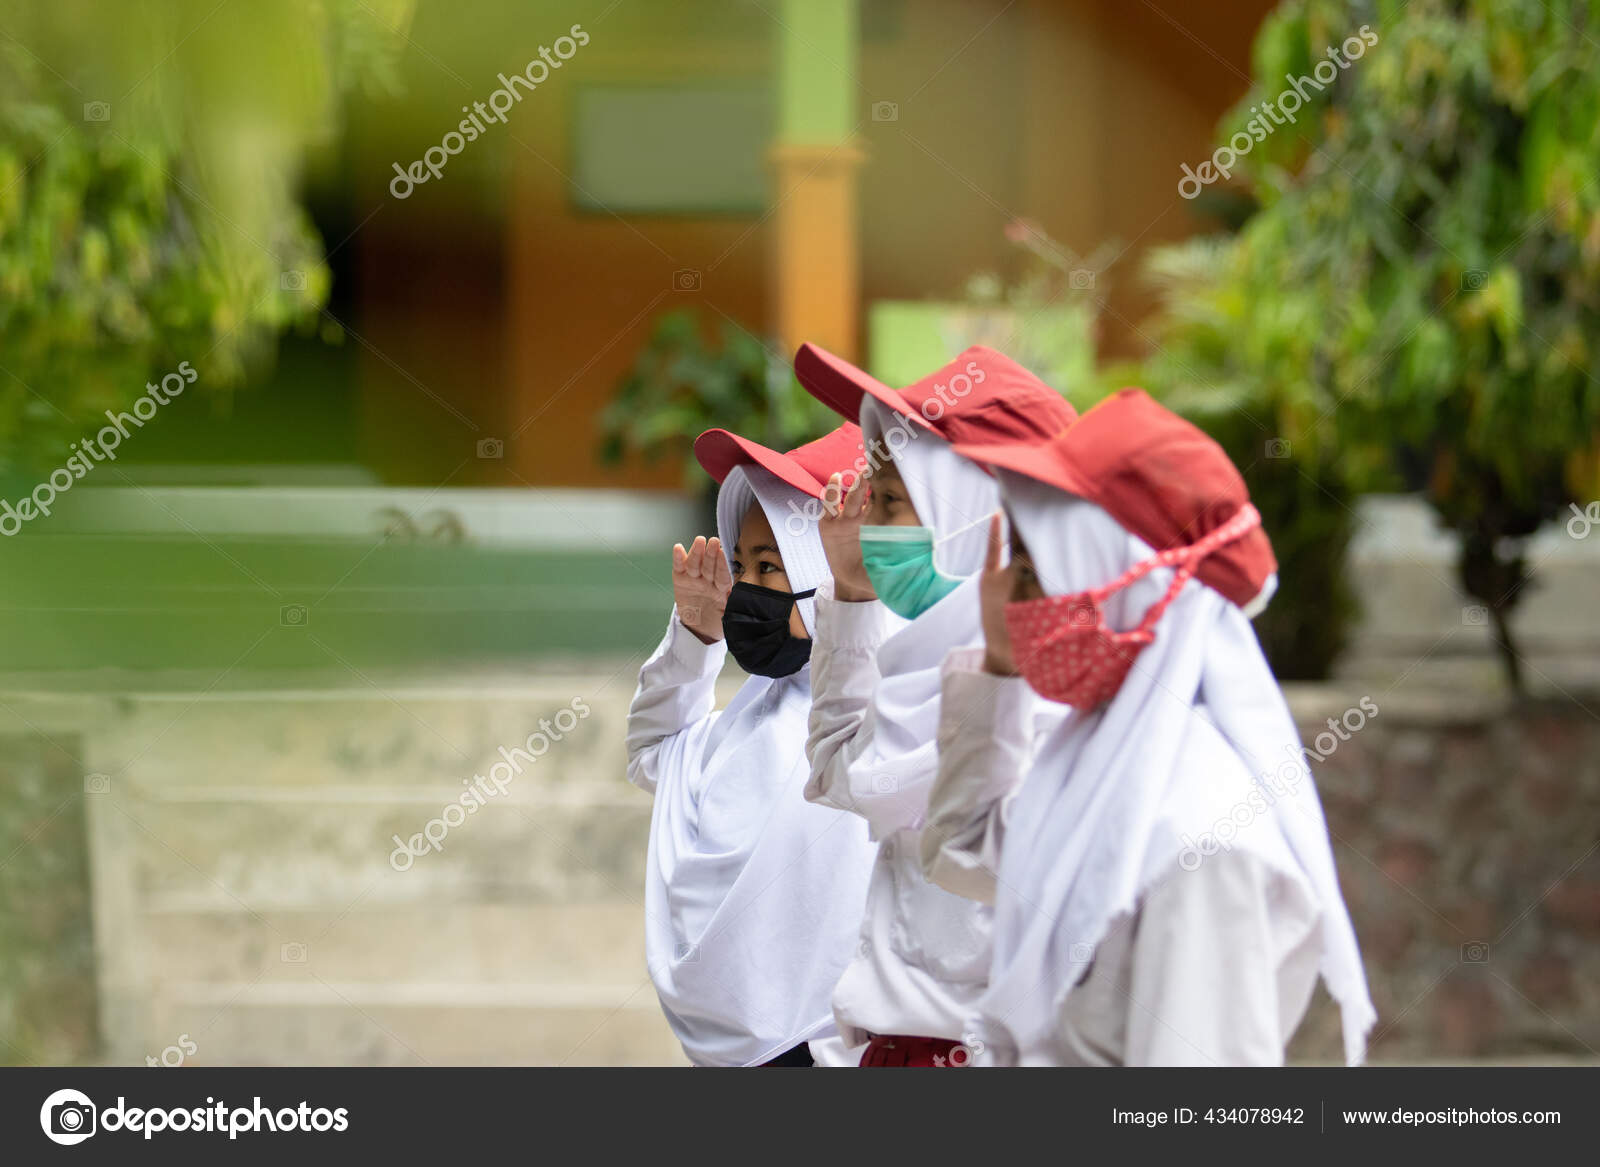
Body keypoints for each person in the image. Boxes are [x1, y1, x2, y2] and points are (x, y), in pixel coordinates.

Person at [921, 387, 1376, 1065]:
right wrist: (997, 666)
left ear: (1124, 578)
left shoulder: (1200, 838)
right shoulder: (1093, 763)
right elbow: (963, 848)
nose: (1013, 592)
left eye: (1035, 562)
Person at [791, 342, 1077, 1066]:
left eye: (892, 501)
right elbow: (839, 774)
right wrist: (852, 593)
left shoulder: (1037, 701)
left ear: (973, 513)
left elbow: (861, 781)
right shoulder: (910, 662)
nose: (874, 526)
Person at [624, 423, 878, 1067]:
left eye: (771, 567)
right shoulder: (750, 717)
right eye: (741, 567)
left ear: (828, 569)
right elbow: (657, 753)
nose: (746, 590)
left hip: (830, 1045)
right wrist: (695, 633)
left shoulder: (873, 716)